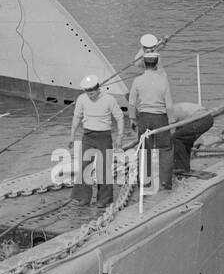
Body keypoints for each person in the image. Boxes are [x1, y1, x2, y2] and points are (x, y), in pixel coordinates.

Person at [70, 74, 124, 209]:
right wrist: (72, 135)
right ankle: (83, 197)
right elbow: (77, 117)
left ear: (98, 88)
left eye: (92, 92)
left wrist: (120, 136)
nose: (90, 95)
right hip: (88, 135)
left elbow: (119, 117)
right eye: (87, 92)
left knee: (103, 168)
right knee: (84, 166)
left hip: (104, 136)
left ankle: (104, 200)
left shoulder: (109, 99)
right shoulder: (81, 99)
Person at [127, 43, 174, 191]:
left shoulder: (137, 81)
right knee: (165, 149)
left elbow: (132, 102)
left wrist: (132, 119)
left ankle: (145, 181)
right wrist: (171, 122)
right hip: (160, 117)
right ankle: (165, 182)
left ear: (145, 64)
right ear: (156, 64)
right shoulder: (163, 80)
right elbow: (169, 104)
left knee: (144, 149)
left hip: (144, 117)